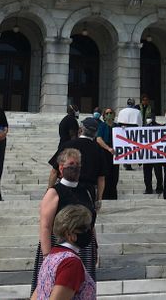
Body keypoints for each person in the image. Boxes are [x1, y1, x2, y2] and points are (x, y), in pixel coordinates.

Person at [33, 148, 99, 291]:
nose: (75, 167)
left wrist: (95, 246)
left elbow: (91, 222)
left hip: (85, 248)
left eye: (78, 164)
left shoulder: (86, 191)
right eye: (71, 164)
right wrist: (47, 257)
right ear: (61, 168)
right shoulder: (53, 192)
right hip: (59, 248)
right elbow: (45, 226)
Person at [33, 205, 97, 300]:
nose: (90, 232)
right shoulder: (71, 263)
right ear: (70, 234)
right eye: (86, 229)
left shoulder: (51, 256)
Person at [50, 119, 106, 199]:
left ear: (81, 130)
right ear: (96, 133)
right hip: (88, 191)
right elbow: (101, 178)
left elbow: (54, 171)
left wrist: (49, 190)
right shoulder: (99, 149)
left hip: (67, 187)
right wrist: (99, 199)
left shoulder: (68, 145)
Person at [96, 108, 119, 200]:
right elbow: (99, 139)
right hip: (105, 152)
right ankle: (105, 196)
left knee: (115, 175)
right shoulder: (102, 125)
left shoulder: (117, 126)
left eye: (111, 113)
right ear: (104, 115)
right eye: (107, 113)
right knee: (106, 174)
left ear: (114, 115)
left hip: (116, 153)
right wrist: (108, 148)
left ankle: (113, 195)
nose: (109, 114)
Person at [116, 99, 143, 171]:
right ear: (134, 104)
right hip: (133, 130)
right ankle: (128, 163)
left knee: (126, 147)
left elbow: (118, 123)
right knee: (132, 147)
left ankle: (127, 163)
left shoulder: (122, 111)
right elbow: (140, 124)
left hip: (124, 130)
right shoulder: (137, 111)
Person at [142, 114, 165, 195]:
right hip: (146, 154)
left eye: (150, 118)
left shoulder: (159, 126)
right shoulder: (143, 127)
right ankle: (148, 188)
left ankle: (159, 187)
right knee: (147, 173)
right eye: (147, 118)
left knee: (158, 172)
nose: (148, 119)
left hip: (156, 154)